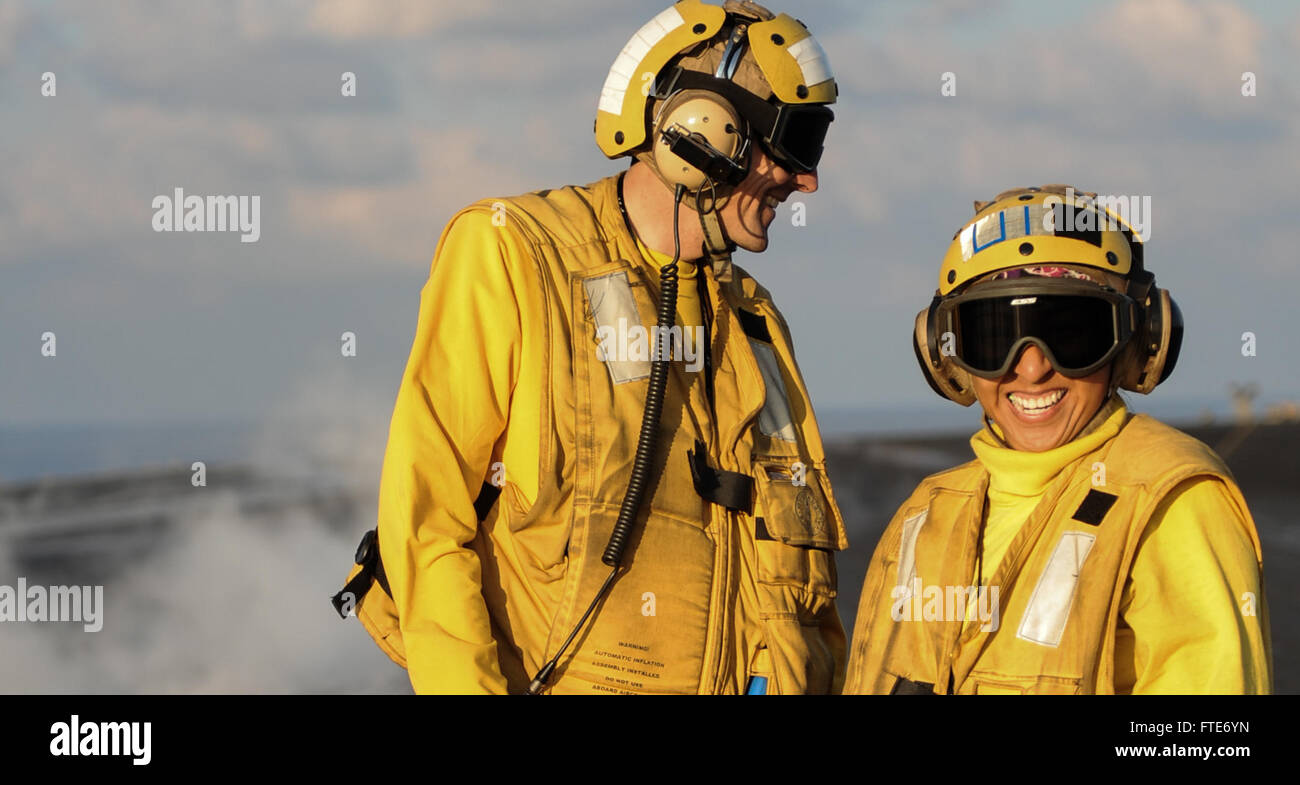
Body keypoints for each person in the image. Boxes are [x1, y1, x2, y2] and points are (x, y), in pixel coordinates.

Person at [333, 0, 850, 694]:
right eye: (795, 144)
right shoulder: (514, 252)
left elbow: (807, 610)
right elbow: (427, 524)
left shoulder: (756, 324)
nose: (806, 178)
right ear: (704, 132)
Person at [843, 185, 1272, 694]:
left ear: (1135, 344)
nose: (1031, 367)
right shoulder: (927, 513)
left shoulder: (1172, 499)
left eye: (1070, 333)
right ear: (947, 355)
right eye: (996, 336)